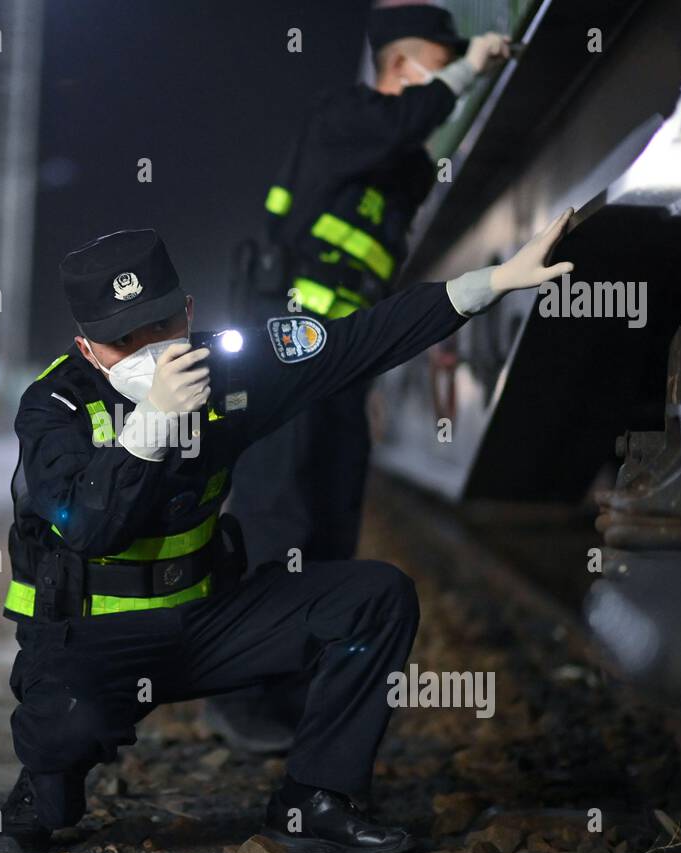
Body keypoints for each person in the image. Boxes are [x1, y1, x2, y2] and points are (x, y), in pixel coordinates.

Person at [0, 217, 573, 853]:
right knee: (61, 750)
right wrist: (152, 422)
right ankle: (47, 780)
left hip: (205, 624)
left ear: (187, 312)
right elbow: (90, 529)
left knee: (374, 598)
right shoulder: (54, 408)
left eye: (161, 326)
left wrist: (489, 283)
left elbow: (357, 342)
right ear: (86, 349)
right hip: (92, 642)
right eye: (123, 341)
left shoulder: (230, 371)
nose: (151, 350)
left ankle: (314, 802)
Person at [212, 5, 512, 752]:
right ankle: (244, 701)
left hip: (341, 366)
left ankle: (301, 690)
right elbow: (395, 121)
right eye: (433, 67)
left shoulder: (399, 166)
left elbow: (403, 155)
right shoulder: (341, 118)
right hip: (282, 361)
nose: (446, 83)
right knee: (277, 521)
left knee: (330, 527)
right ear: (401, 67)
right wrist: (467, 69)